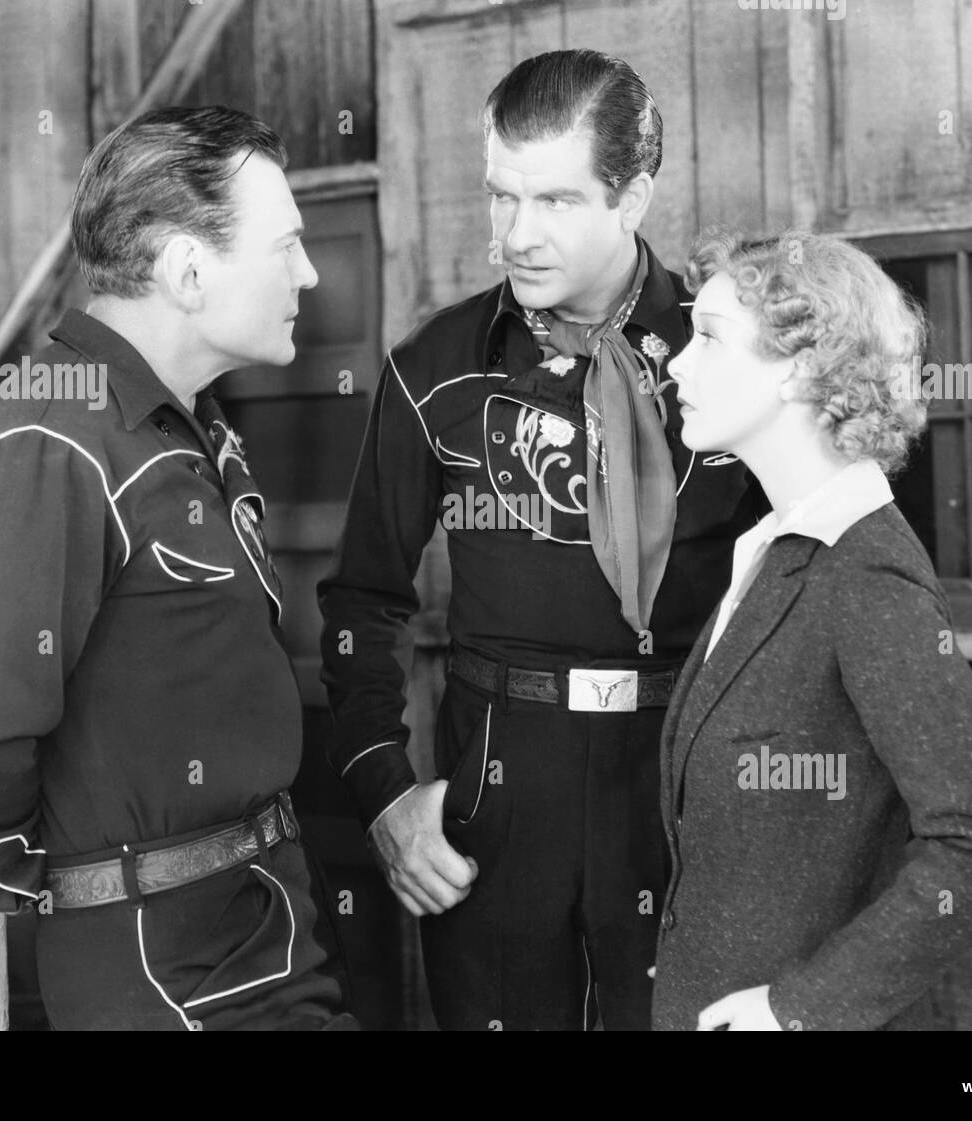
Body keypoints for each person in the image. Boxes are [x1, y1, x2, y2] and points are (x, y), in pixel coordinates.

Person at [318, 50, 763, 1030]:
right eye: (500, 196)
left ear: (634, 191)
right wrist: (382, 786)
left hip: (687, 777)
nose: (516, 235)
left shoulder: (734, 351)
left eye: (555, 200)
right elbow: (361, 599)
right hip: (499, 785)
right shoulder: (435, 368)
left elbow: (816, 581)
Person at [0, 106, 357, 1031]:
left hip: (260, 920)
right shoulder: (50, 441)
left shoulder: (183, 425)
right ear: (188, 271)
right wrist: (84, 888)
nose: (307, 273)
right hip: (164, 965)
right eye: (287, 246)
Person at [652, 227, 972, 1031]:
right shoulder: (780, 549)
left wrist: (800, 1009)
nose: (676, 362)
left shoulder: (865, 573)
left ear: (800, 366)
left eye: (709, 337)